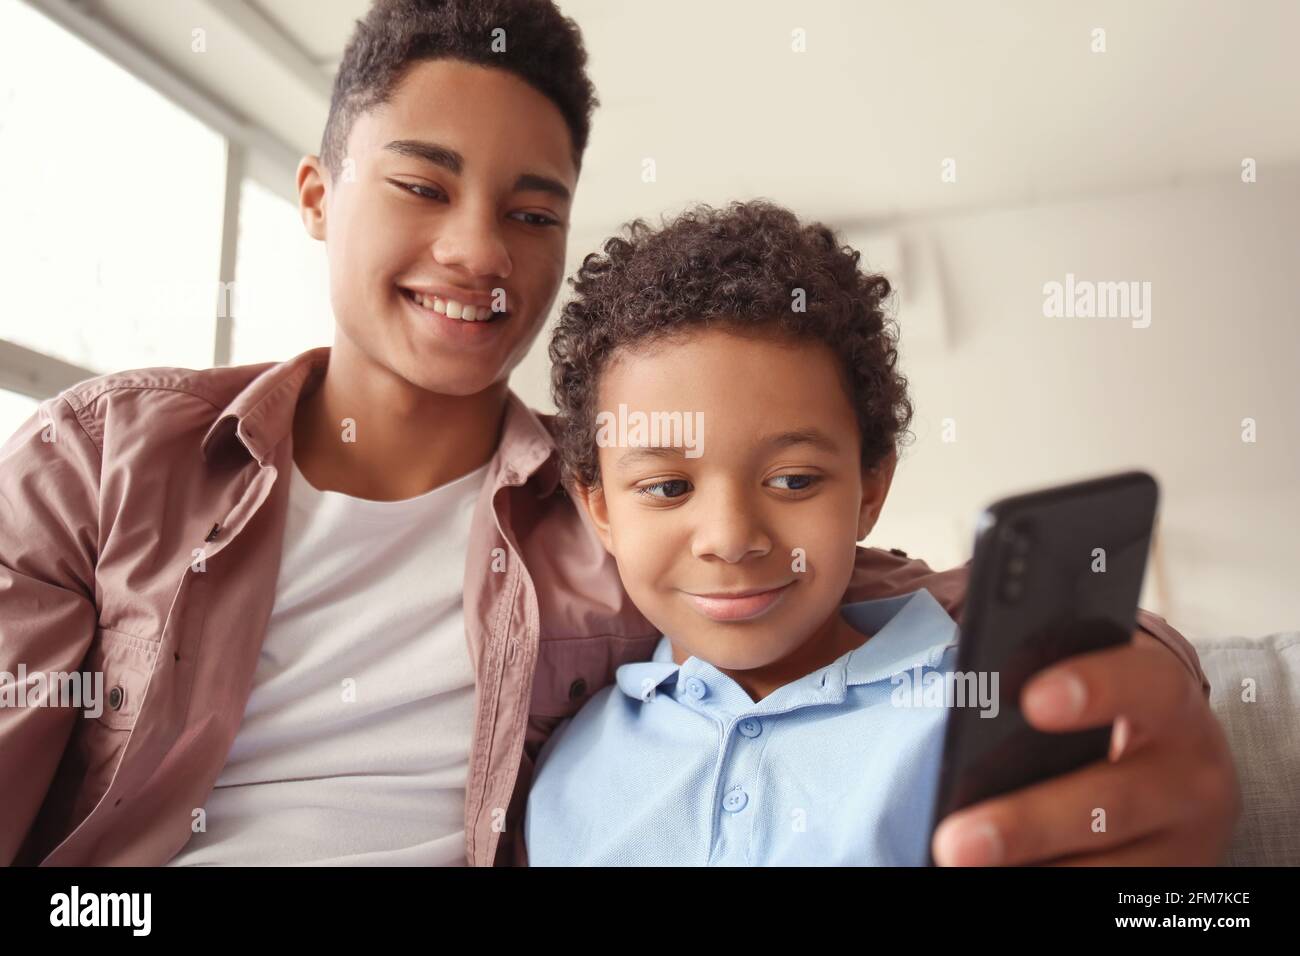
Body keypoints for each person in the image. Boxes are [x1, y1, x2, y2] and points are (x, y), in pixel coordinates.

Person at [0, 0, 1237, 867]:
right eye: (424, 184)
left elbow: (881, 595)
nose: (479, 248)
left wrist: (1146, 667)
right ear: (318, 196)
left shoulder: (608, 516)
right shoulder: (106, 461)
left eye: (533, 211)